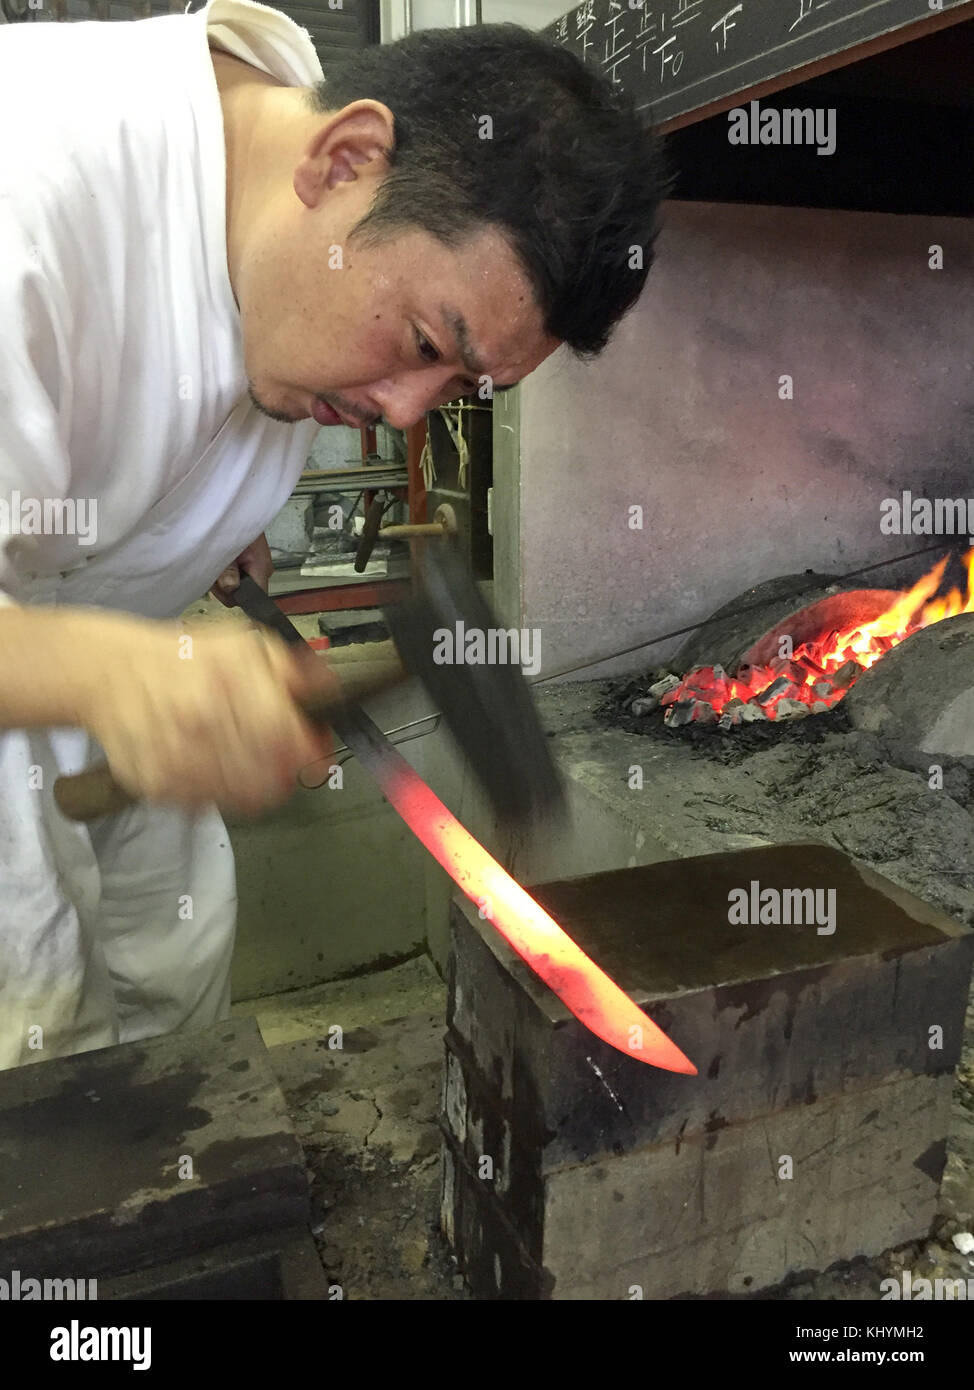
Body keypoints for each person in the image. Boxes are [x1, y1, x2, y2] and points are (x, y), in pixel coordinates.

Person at [0, 2, 667, 1071]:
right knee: (39, 1064)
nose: (408, 410)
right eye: (419, 342)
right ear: (343, 159)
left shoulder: (269, 194)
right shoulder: (28, 177)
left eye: (458, 384)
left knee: (172, 1008)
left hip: (122, 691)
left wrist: (182, 520)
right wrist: (105, 668)